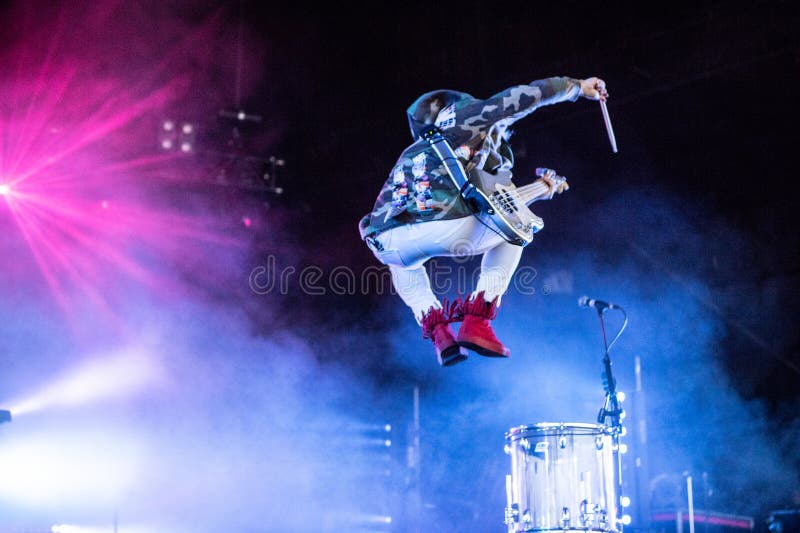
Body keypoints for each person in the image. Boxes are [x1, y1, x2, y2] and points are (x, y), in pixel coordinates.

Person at [358, 76, 608, 366]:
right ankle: (477, 320)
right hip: (448, 228)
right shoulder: (465, 117)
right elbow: (525, 96)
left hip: (385, 240)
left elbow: (491, 204)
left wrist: (538, 190)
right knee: (517, 229)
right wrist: (577, 87)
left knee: (403, 264)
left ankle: (438, 331)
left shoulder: (415, 152)